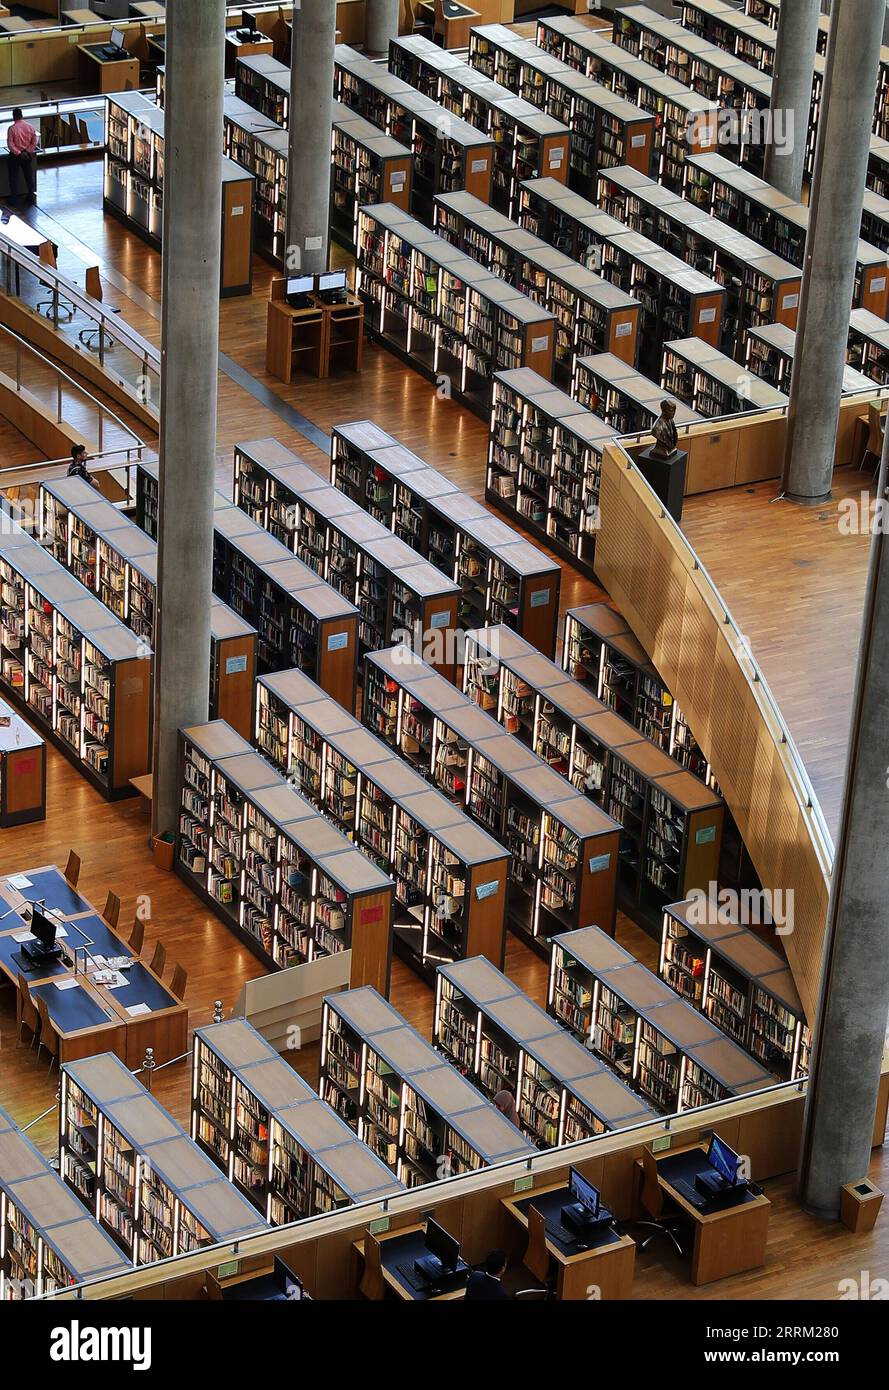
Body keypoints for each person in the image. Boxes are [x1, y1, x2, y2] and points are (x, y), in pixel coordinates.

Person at [6, 108, 38, 205]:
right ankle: (31, 195)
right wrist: (28, 152)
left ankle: (14, 197)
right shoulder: (30, 127)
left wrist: (19, 153)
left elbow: (10, 145)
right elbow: (34, 142)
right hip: (27, 155)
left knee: (13, 176)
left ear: (13, 116)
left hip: (15, 156)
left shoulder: (12, 129)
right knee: (28, 175)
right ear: (22, 115)